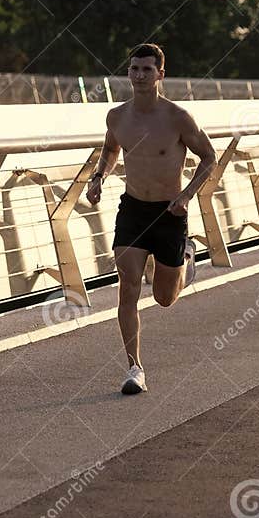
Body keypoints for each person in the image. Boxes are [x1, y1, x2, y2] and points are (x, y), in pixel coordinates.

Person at [86, 43, 217, 395]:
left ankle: (186, 256)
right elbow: (112, 149)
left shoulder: (177, 118)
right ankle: (134, 368)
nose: (140, 75)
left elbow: (209, 157)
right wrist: (98, 177)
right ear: (128, 73)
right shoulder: (117, 116)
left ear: (161, 74)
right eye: (134, 69)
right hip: (132, 209)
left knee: (164, 298)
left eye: (147, 69)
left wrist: (187, 195)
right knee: (127, 286)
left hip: (168, 214)